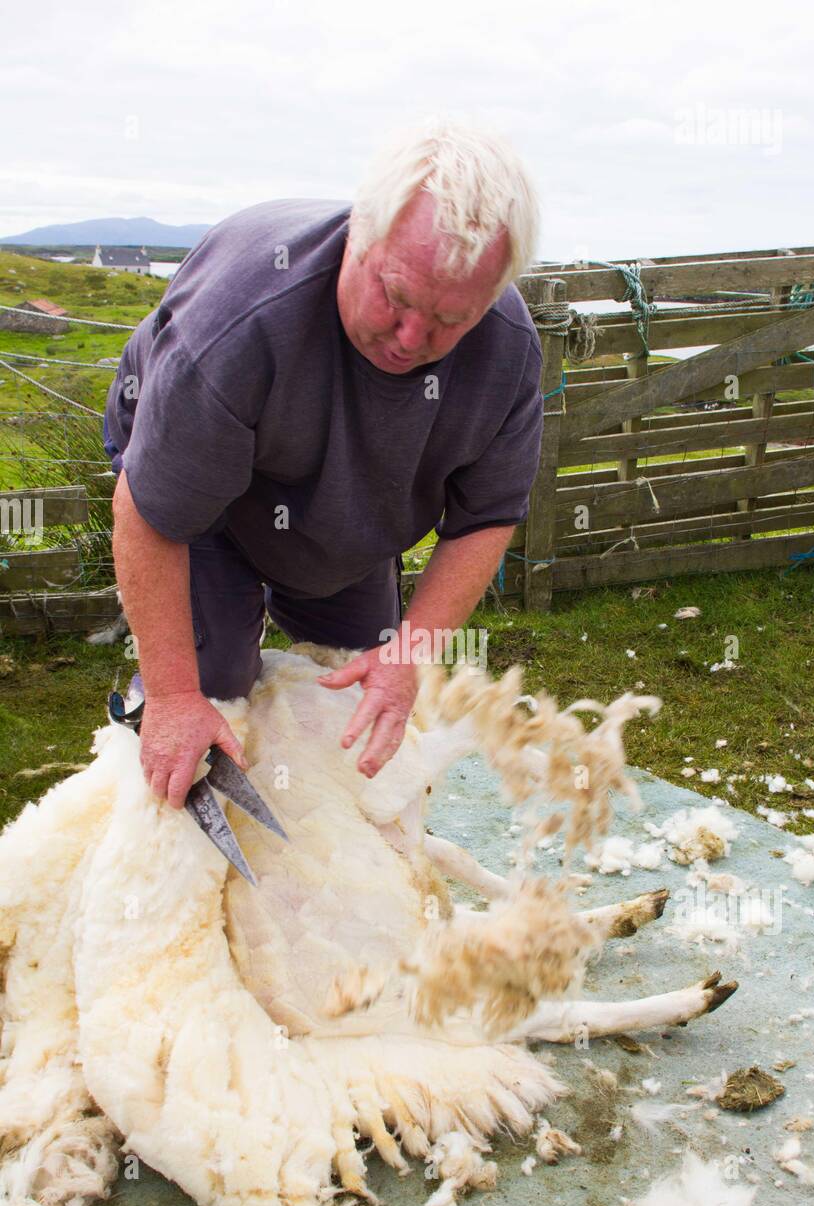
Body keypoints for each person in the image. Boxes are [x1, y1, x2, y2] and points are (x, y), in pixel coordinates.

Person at [105, 118, 544, 808]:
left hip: (350, 510)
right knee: (210, 685)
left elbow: (485, 518)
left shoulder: (507, 349)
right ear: (357, 235)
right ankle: (153, 743)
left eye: (450, 320)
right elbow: (152, 514)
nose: (411, 340)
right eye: (396, 298)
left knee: (356, 693)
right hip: (204, 503)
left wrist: (407, 657)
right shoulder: (236, 322)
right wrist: (173, 692)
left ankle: (311, 861)